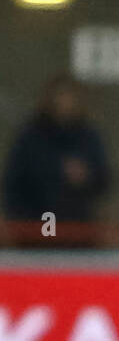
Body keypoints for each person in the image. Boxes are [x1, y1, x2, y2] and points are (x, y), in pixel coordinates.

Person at [2, 73, 111, 245]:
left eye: (70, 96)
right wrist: (18, 222)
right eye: (60, 96)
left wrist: (86, 177)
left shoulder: (88, 136)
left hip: (78, 234)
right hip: (34, 234)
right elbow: (13, 183)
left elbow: (104, 180)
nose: (64, 102)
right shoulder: (30, 138)